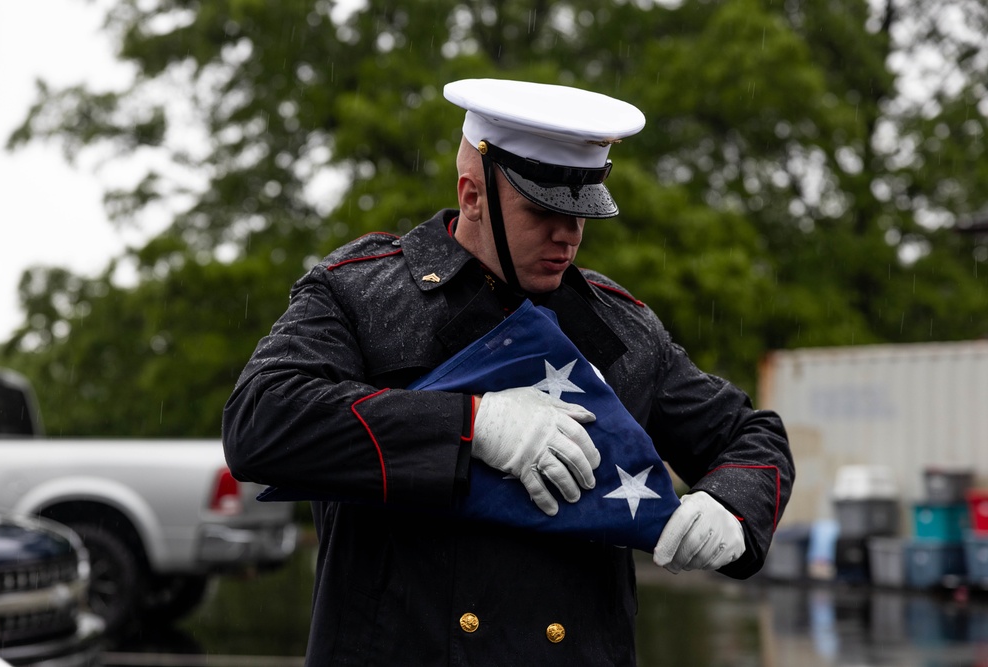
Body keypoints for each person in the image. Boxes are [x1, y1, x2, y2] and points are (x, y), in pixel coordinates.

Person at [223, 78, 794, 666]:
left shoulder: (621, 327)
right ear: (472, 195)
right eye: (544, 210)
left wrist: (730, 504)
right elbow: (261, 420)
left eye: (581, 212)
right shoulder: (363, 292)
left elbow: (752, 436)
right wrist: (471, 425)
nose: (569, 235)